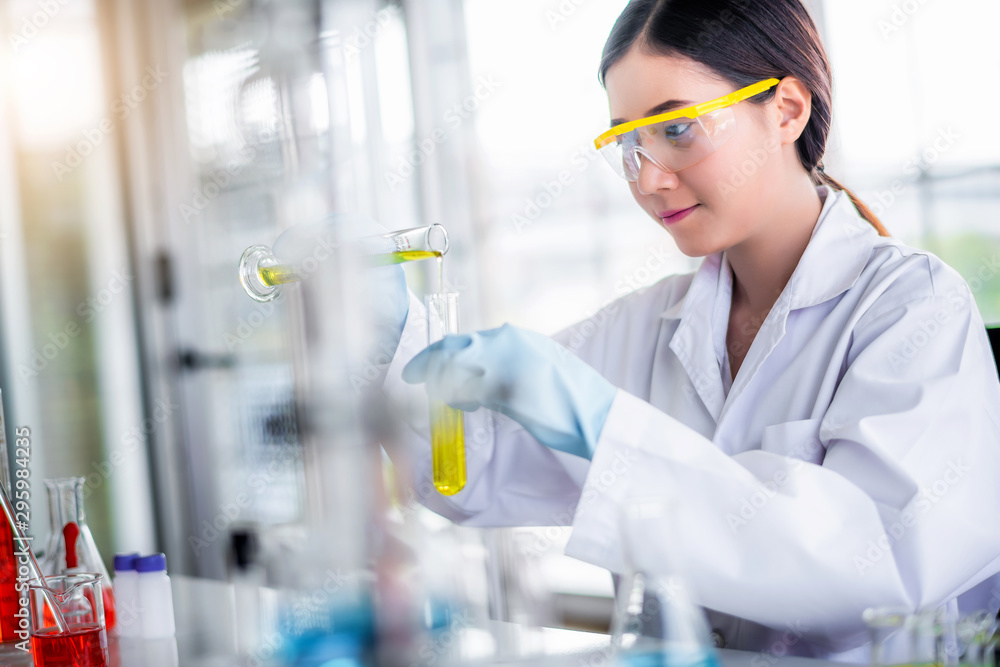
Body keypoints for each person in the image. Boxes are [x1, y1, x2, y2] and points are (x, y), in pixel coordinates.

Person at [381, 0, 1000, 660]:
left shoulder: (914, 309)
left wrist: (604, 422)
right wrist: (382, 325)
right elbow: (467, 467)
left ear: (787, 109)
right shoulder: (647, 324)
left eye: (677, 130)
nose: (648, 177)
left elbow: (878, 561)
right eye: (628, 143)